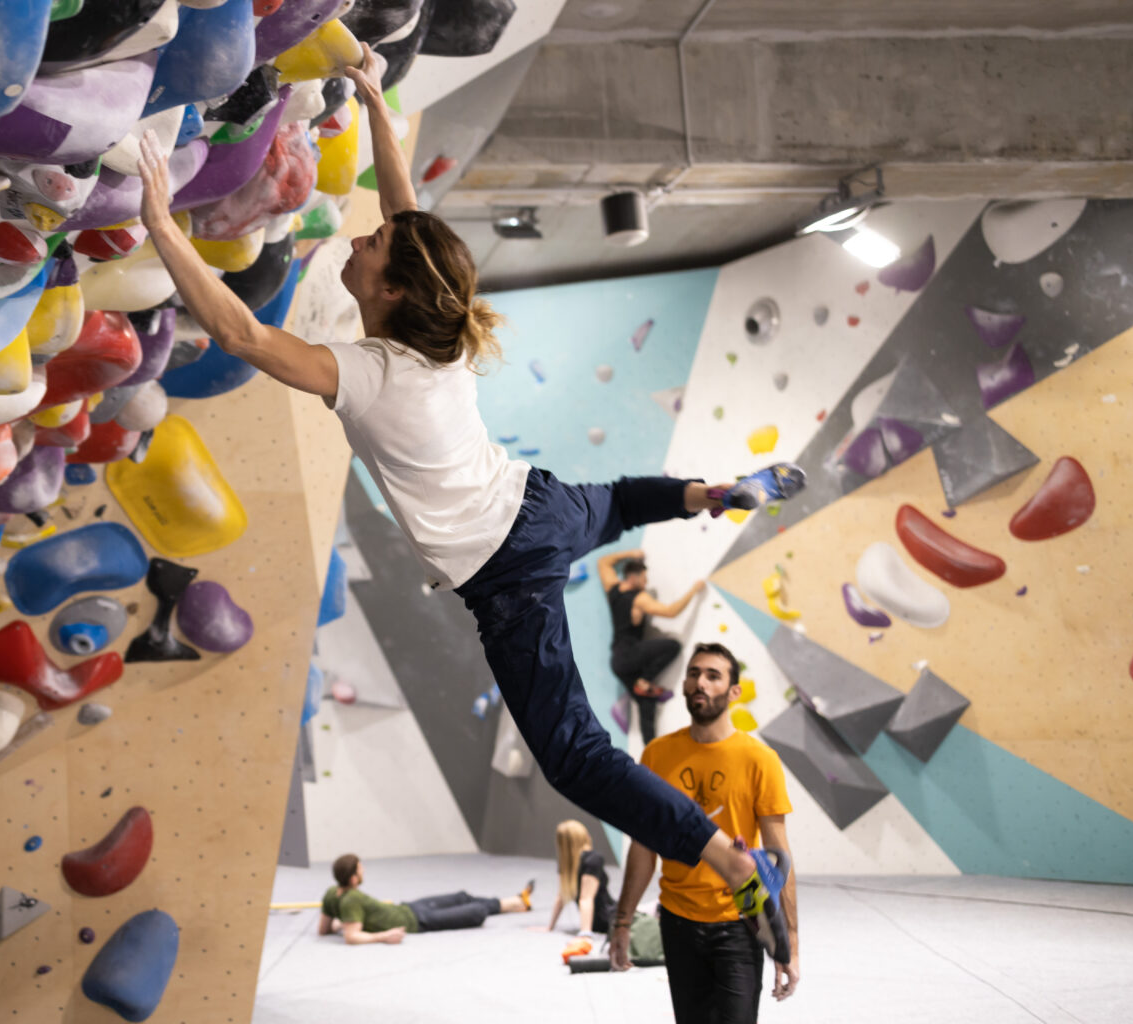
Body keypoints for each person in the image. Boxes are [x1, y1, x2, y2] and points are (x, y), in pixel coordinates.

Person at [136, 43, 800, 964]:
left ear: (393, 289)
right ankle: (709, 492)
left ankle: (727, 856)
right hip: (536, 509)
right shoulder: (432, 341)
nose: (361, 239)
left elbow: (243, 331)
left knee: (574, 753)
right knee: (615, 505)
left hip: (509, 562)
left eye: (372, 248)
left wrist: (160, 222)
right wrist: (375, 101)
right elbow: (404, 212)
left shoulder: (367, 371)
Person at [610, 643, 801, 1023]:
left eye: (713, 676)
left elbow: (780, 856)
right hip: (677, 921)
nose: (700, 682)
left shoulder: (759, 760)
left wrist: (789, 942)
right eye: (694, 674)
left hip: (740, 922)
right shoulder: (657, 755)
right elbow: (643, 848)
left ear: (734, 691)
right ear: (684, 685)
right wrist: (623, 920)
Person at [597, 550, 706, 746]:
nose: (646, 584)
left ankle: (651, 756)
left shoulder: (612, 588)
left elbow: (603, 562)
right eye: (644, 579)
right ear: (633, 577)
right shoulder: (639, 598)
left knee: (647, 703)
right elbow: (671, 612)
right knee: (673, 646)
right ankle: (645, 680)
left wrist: (630, 553)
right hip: (629, 654)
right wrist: (694, 590)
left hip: (618, 662)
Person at [317, 854, 533, 944]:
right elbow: (351, 937)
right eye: (360, 869)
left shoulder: (331, 893)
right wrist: (384, 936)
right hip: (418, 922)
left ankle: (515, 901)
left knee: (461, 896)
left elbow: (323, 929)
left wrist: (342, 923)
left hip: (409, 908)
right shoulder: (351, 901)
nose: (363, 871)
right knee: (476, 912)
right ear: (354, 878)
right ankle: (514, 903)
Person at [542, 819, 616, 936]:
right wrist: (585, 933)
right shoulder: (593, 859)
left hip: (597, 921)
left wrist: (550, 927)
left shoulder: (567, 864)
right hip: (609, 917)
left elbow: (561, 897)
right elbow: (585, 898)